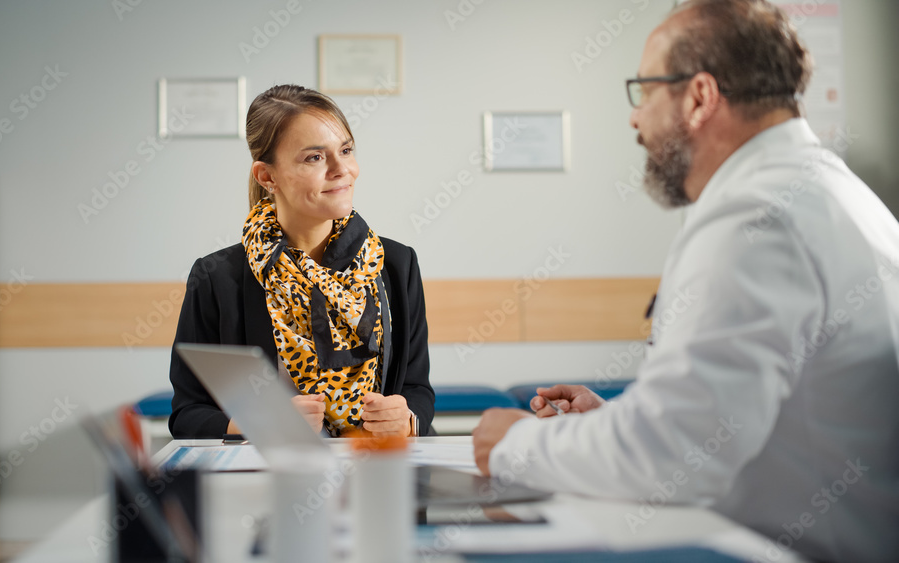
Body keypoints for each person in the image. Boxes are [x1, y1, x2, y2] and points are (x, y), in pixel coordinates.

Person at [472, 1, 899, 561]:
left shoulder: (755, 216)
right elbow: (732, 422)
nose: (634, 118)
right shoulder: (824, 190)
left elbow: (675, 456)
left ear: (698, 97)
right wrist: (618, 423)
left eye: (644, 90)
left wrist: (517, 444)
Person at [169, 84, 433, 439]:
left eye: (346, 150)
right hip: (272, 482)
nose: (343, 170)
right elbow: (188, 415)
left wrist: (408, 419)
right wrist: (261, 424)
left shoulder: (397, 265)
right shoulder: (218, 278)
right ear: (267, 176)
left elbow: (417, 389)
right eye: (315, 157)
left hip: (377, 473)